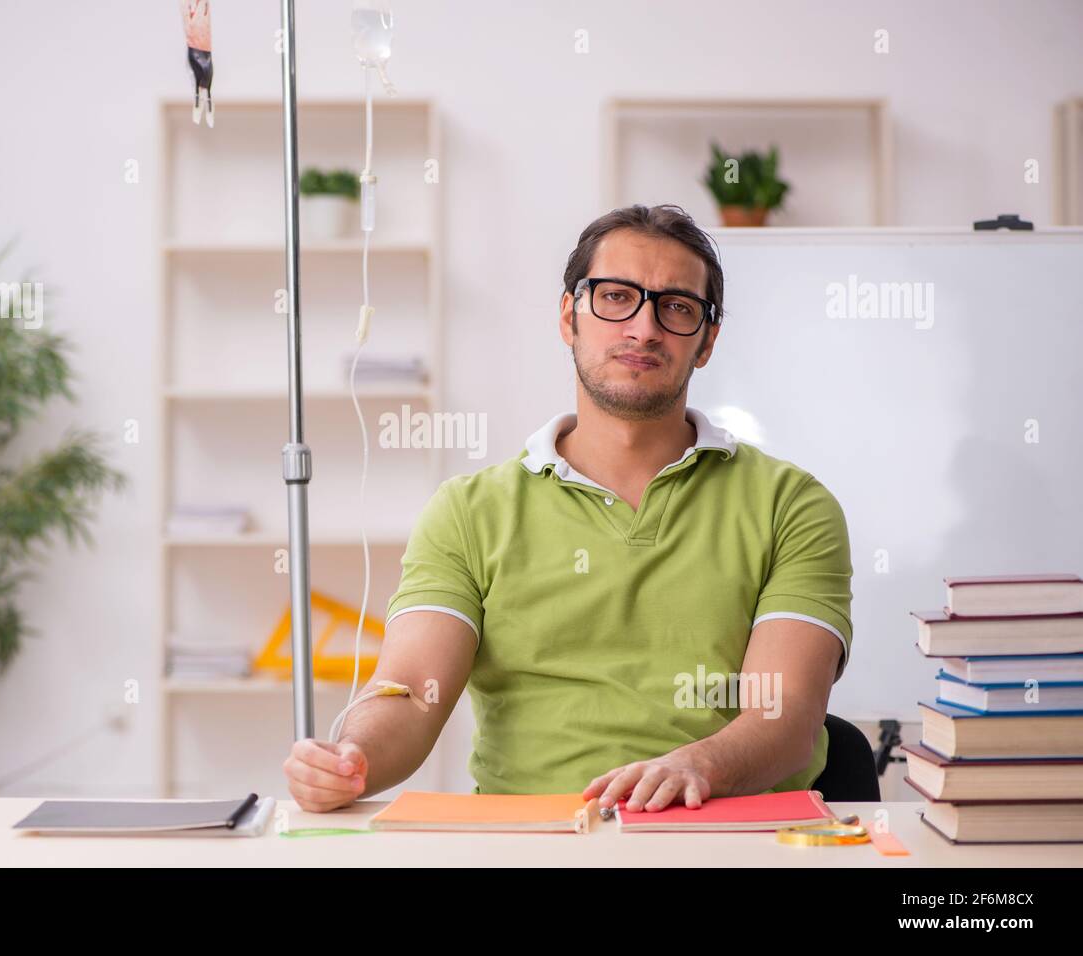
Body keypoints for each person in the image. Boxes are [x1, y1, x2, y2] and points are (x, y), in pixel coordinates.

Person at [283, 204, 853, 815]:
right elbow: (412, 694)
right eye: (615, 297)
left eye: (677, 307)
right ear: (568, 316)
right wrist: (351, 759)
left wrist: (699, 765)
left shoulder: (792, 505)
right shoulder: (468, 512)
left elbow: (786, 717)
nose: (643, 328)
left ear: (707, 341)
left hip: (730, 841)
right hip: (531, 842)